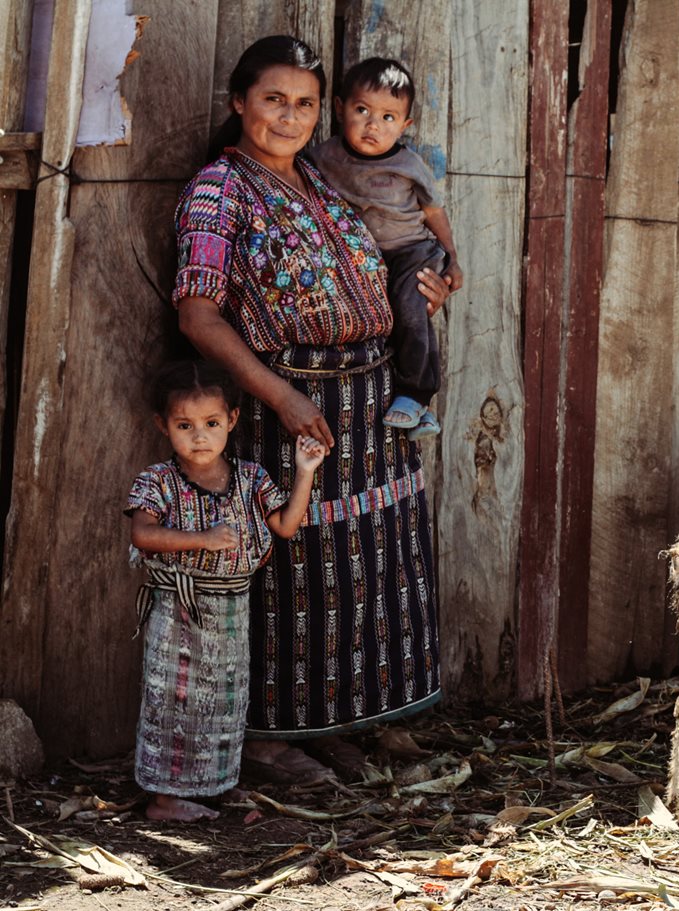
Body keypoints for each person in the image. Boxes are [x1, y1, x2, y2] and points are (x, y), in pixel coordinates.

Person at [174, 35, 448, 784]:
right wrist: (282, 395)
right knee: (290, 575)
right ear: (239, 102)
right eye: (273, 100)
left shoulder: (324, 180)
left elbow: (401, 248)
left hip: (370, 405)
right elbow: (199, 317)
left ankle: (334, 720)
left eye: (303, 104)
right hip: (285, 407)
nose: (290, 118)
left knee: (360, 573)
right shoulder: (218, 190)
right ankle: (266, 737)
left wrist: (431, 287)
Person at [127, 361, 325, 821]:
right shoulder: (159, 482)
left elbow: (286, 525)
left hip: (233, 609)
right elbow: (143, 534)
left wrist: (305, 472)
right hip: (178, 610)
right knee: (174, 700)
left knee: (223, 701)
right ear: (164, 425)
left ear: (232, 421)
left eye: (212, 424)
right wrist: (204, 539)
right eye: (185, 426)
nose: (200, 436)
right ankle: (164, 797)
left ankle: (212, 786)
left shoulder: (251, 479)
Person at [308, 56, 462, 439]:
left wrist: (452, 258)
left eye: (389, 118)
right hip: (365, 259)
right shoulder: (322, 156)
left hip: (412, 251)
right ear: (340, 108)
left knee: (412, 311)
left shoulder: (409, 164)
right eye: (362, 110)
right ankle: (418, 413)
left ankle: (416, 394)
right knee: (380, 322)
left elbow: (433, 212)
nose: (373, 125)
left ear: (405, 125)